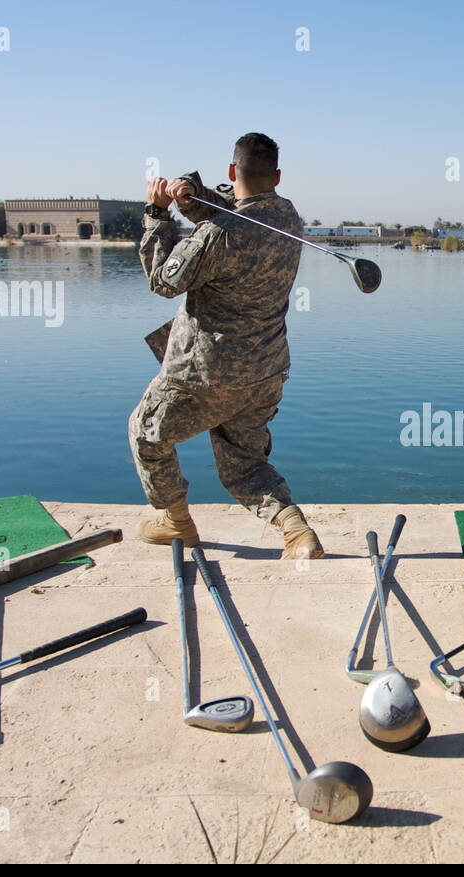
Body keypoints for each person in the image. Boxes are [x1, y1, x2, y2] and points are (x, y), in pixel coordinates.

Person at [130, 132, 323, 560]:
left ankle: (177, 523)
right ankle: (297, 532)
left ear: (232, 171)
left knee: (147, 432)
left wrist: (158, 214)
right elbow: (234, 208)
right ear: (276, 175)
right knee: (246, 463)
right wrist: (191, 197)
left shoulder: (218, 235)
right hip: (266, 370)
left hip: (206, 374)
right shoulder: (289, 218)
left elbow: (163, 280)